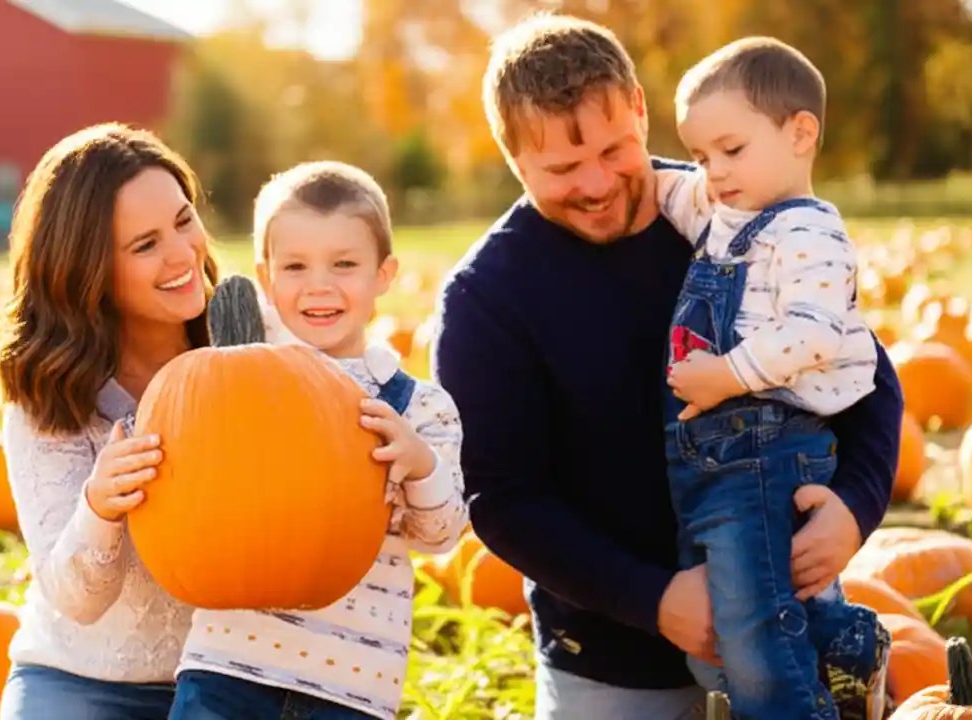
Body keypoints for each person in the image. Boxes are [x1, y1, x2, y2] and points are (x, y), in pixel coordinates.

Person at [431, 14, 903, 720]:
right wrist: (652, 599)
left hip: (783, 612)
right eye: (562, 168)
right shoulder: (486, 298)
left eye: (615, 150)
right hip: (608, 655)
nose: (596, 184)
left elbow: (864, 373)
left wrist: (855, 507)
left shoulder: (739, 218)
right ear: (513, 159)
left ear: (642, 113)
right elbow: (502, 499)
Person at [167, 160, 469, 720]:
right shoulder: (233, 390)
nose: (320, 285)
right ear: (267, 277)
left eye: (345, 264)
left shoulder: (418, 407)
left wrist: (419, 465)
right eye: (296, 266)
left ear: (384, 274)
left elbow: (441, 535)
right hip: (229, 665)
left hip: (351, 687)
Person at [651, 37, 888, 720]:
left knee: (755, 652)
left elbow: (813, 336)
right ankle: (846, 646)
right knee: (729, 640)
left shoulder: (810, 235)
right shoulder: (727, 217)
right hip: (711, 462)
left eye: (730, 150)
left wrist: (726, 374)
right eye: (699, 157)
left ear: (801, 133)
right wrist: (628, 167)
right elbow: (666, 192)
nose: (711, 173)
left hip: (769, 446)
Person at [0, 122, 219, 720]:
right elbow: (75, 599)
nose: (182, 254)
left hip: (233, 675)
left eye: (183, 220)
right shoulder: (48, 395)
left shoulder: (247, 342)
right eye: (145, 245)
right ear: (87, 270)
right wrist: (100, 507)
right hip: (82, 680)